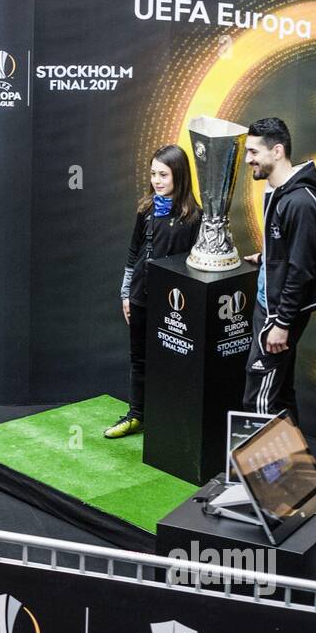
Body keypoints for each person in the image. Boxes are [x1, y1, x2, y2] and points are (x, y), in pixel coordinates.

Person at [105, 144, 201, 438]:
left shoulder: (194, 217)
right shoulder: (146, 209)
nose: (157, 180)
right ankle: (137, 415)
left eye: (164, 174)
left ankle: (171, 422)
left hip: (174, 306)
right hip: (140, 297)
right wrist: (125, 294)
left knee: (174, 362)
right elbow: (133, 253)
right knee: (139, 358)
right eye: (153, 174)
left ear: (179, 176)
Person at [241, 117, 316, 420]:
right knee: (279, 393)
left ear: (277, 151)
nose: (247, 159)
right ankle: (293, 468)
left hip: (278, 314)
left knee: (259, 401)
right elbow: (289, 247)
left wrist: (282, 323)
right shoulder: (277, 190)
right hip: (270, 305)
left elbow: (302, 268)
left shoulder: (300, 202)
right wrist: (269, 256)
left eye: (253, 152)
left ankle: (260, 469)